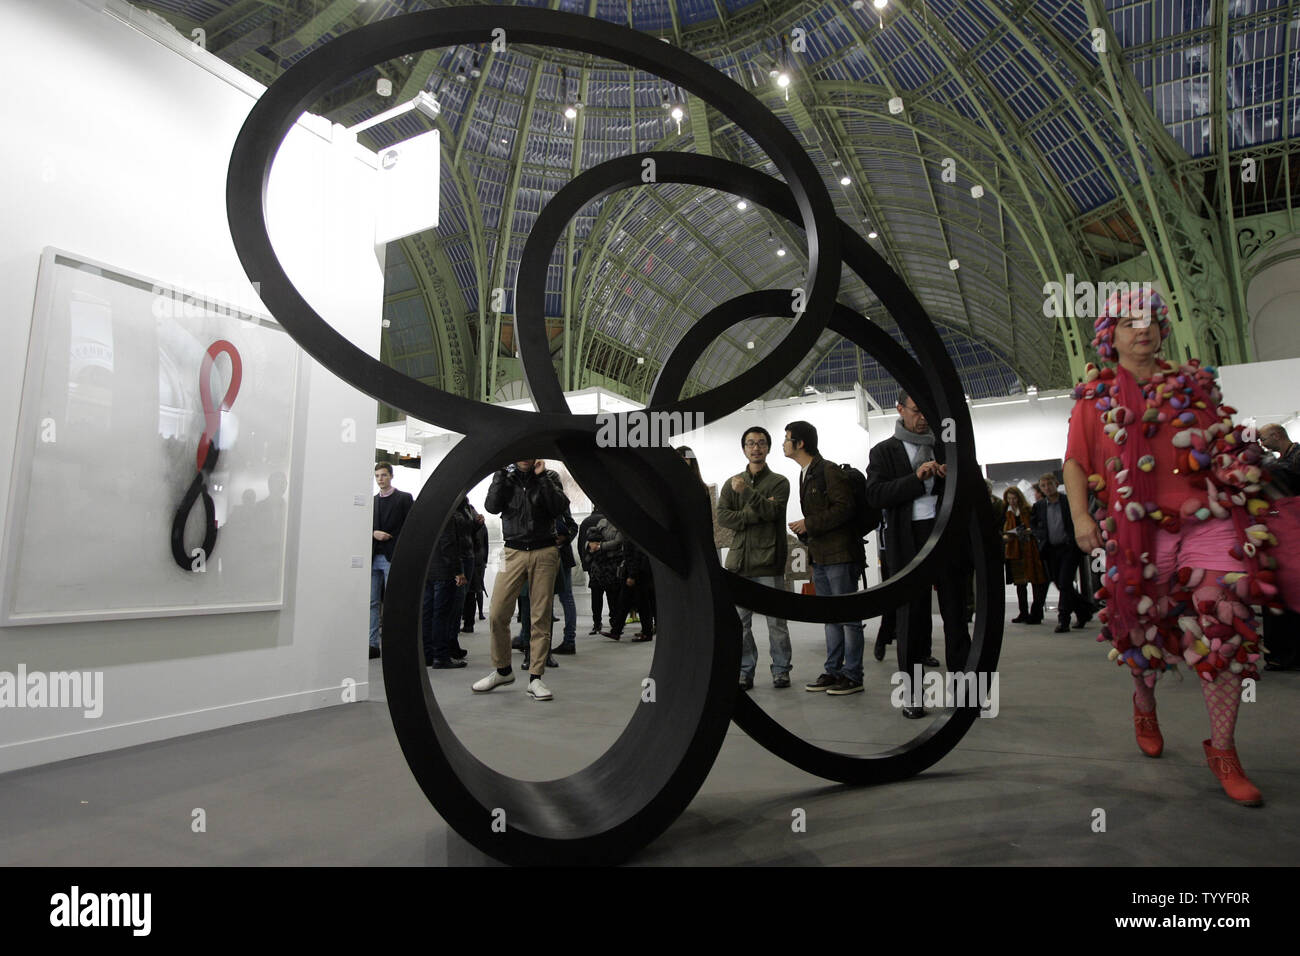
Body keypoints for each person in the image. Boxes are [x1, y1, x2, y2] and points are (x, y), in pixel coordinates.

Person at [1065, 288, 1274, 806]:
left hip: (1207, 521)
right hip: (1136, 532)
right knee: (1139, 629)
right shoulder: (1095, 400)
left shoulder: (1192, 388)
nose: (1143, 330)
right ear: (1109, 337)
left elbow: (1222, 447)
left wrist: (1242, 470)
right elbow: (1073, 461)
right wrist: (1079, 516)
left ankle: (1223, 748)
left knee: (1224, 622)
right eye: (1130, 323)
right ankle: (1144, 698)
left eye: (1151, 320)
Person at [864, 392, 971, 718]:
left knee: (957, 618)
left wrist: (949, 475)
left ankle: (968, 696)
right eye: (916, 410)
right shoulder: (883, 451)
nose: (923, 417)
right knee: (911, 620)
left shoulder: (945, 446)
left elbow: (970, 487)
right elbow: (875, 495)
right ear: (899, 410)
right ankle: (912, 698)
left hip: (947, 538)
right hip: (907, 541)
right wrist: (916, 479)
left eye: (928, 411)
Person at [473, 458, 569, 701]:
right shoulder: (507, 477)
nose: (525, 457)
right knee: (497, 613)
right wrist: (499, 474)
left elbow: (558, 508)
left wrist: (543, 477)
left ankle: (536, 678)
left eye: (530, 453)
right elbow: (492, 506)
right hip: (512, 551)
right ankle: (503, 670)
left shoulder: (549, 477)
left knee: (540, 616)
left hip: (544, 551)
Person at [784, 420, 865, 696]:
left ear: (800, 443)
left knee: (849, 618)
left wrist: (809, 523)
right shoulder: (806, 473)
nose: (784, 444)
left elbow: (846, 508)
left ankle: (853, 675)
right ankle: (833, 671)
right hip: (821, 556)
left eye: (787, 439)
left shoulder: (827, 470)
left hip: (840, 555)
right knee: (831, 616)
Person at [717, 425, 792, 689]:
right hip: (739, 563)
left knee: (776, 622)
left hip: (769, 560)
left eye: (760, 443)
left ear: (768, 448)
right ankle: (744, 671)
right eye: (750, 443)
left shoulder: (779, 482)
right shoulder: (731, 482)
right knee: (740, 624)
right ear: (744, 448)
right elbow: (723, 516)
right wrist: (753, 512)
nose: (755, 448)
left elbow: (773, 513)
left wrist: (747, 494)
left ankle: (781, 670)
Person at [1031, 473, 1090, 634]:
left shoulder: (1068, 502)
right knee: (1060, 583)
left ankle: (1063, 620)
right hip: (1050, 550)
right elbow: (1034, 524)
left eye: (1049, 484)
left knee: (1064, 582)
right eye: (1043, 486)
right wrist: (1040, 536)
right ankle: (1085, 609)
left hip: (1069, 548)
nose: (1047, 488)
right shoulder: (1039, 506)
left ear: (1056, 484)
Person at [422, 498, 473, 668]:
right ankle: (441, 656)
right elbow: (448, 544)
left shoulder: (426, 515)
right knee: (442, 616)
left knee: (428, 614)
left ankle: (428, 654)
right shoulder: (447, 516)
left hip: (428, 571)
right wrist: (458, 571)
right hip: (444, 572)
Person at [370, 462, 413, 659]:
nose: (380, 479)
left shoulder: (404, 498)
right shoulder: (372, 501)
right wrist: (374, 533)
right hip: (373, 557)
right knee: (372, 602)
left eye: (384, 475)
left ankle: (392, 643)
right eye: (377, 475)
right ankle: (372, 645)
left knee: (392, 602)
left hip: (392, 556)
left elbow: (410, 527)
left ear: (391, 476)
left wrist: (390, 537)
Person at [1002, 485, 1047, 624]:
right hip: (1015, 551)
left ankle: (1036, 612)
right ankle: (1023, 612)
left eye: (1014, 498)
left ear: (1019, 498)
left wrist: (1025, 531)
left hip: (1029, 549)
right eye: (1009, 498)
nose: (1012, 501)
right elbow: (1005, 530)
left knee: (1035, 581)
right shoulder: (1006, 512)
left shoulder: (1027, 510)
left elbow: (1034, 528)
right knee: (1020, 583)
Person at [586, 514, 626, 638]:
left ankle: (615, 624)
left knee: (612, 596)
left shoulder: (620, 524)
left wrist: (600, 546)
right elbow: (591, 538)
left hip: (611, 564)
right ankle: (597, 623)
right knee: (596, 596)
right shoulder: (601, 522)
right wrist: (589, 545)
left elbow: (619, 541)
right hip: (598, 565)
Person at [578, 508, 611, 634]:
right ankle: (614, 621)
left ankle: (597, 623)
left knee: (596, 596)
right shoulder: (608, 521)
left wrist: (585, 563)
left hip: (593, 564)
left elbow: (581, 543)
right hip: (607, 563)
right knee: (610, 593)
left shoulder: (586, 522)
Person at [552, 510, 580, 654]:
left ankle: (569, 640)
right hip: (546, 555)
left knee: (566, 597)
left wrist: (563, 539)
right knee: (542, 598)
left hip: (561, 556)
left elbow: (573, 527)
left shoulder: (560, 502)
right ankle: (526, 637)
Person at [462, 507, 489, 632]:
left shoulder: (462, 519)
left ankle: (466, 622)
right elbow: (485, 544)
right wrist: (484, 561)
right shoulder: (480, 523)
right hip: (478, 559)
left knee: (467, 592)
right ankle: (470, 622)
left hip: (468, 558)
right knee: (475, 590)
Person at [1259, 424, 1300, 496]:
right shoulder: (1279, 460)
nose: (1262, 444)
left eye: (1263, 440)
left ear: (1276, 436)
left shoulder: (1298, 454)